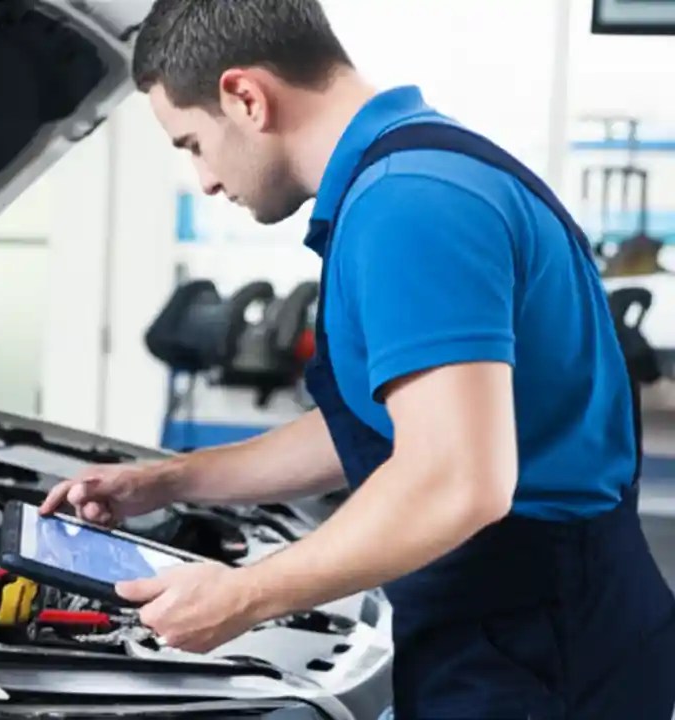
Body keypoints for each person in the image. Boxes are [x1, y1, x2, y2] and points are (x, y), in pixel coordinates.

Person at [39, 1, 675, 717]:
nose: (206, 180)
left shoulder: (408, 204)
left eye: (191, 143)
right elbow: (385, 431)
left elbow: (456, 481)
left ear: (245, 96)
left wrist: (245, 596)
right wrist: (167, 482)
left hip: (537, 646)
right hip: (517, 624)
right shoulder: (418, 171)